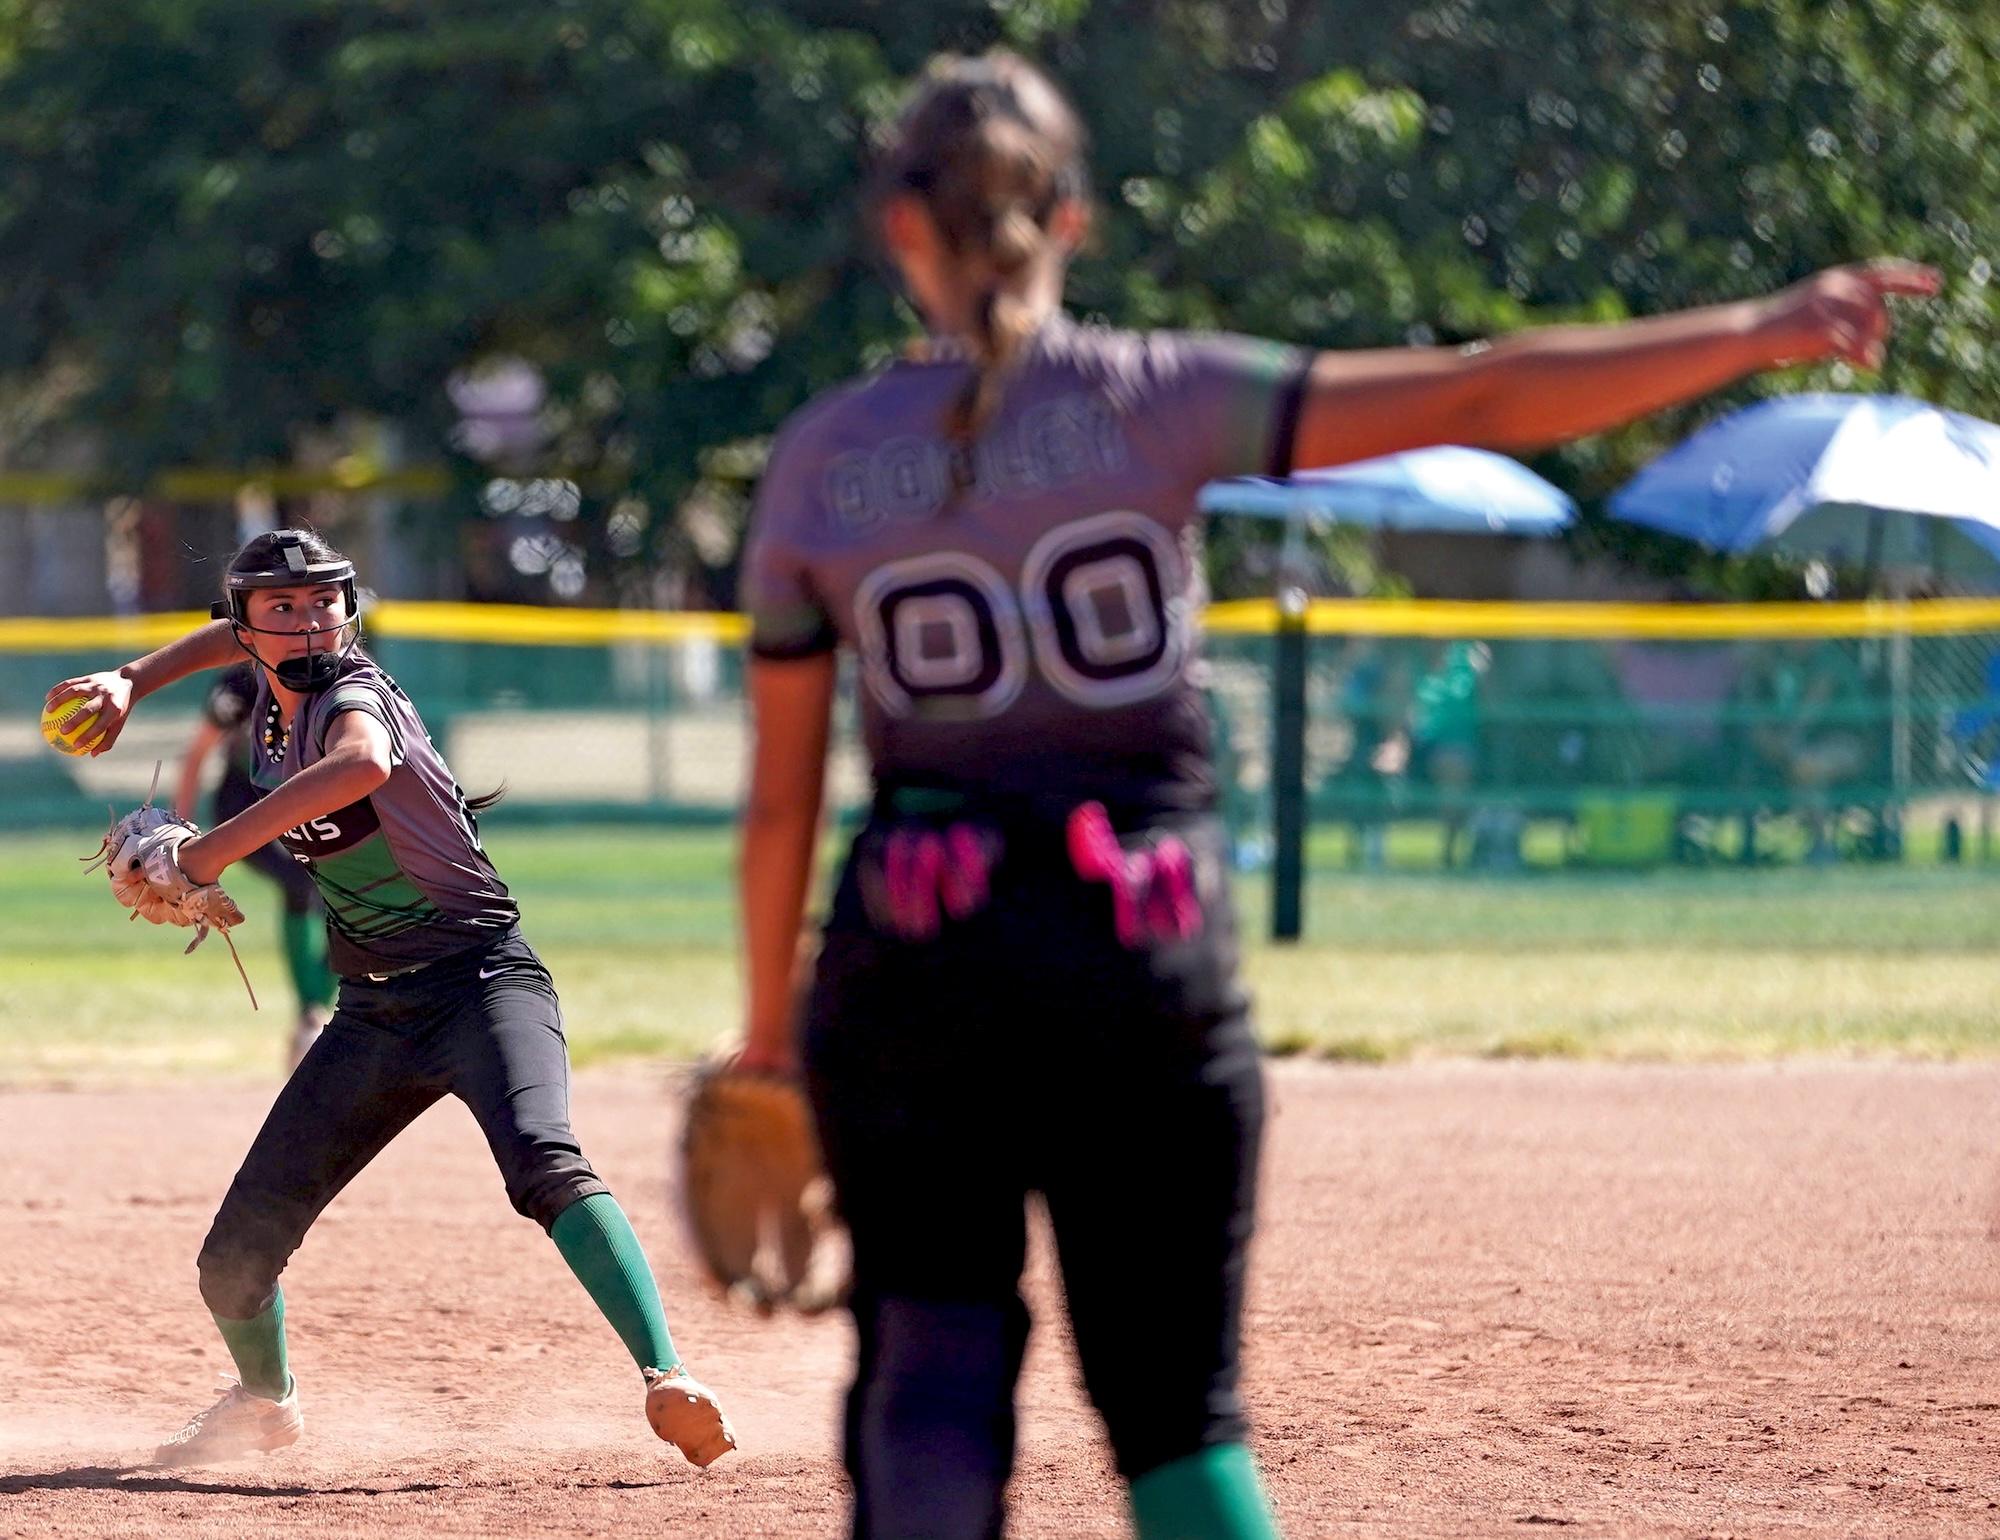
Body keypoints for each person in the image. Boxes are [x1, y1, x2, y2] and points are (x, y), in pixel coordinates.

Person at [733, 48, 1934, 1540]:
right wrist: (1761, 327)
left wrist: (769, 1041)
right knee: (1178, 1423)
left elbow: (781, 806)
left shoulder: (814, 465)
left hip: (919, 960)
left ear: (899, 228)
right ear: (1074, 221)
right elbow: (1485, 392)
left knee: (931, 1381)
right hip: (1140, 951)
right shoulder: (1162, 396)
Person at [43, 528, 735, 1470]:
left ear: (350, 611)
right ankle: (264, 1404)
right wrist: (130, 678)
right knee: (233, 1260)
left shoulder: (349, 697)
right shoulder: (267, 683)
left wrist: (201, 855)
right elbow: (224, 639)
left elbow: (364, 764)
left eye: (326, 600)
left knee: (543, 1158)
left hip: (484, 981)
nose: (309, 618)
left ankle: (667, 1375)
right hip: (373, 1012)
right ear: (249, 628)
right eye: (282, 606)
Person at [175, 660, 337, 1068]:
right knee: (300, 884)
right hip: (240, 811)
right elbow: (197, 755)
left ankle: (318, 1014)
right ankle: (312, 1014)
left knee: (344, 889)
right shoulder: (243, 684)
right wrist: (180, 832)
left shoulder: (336, 676)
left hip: (305, 804)